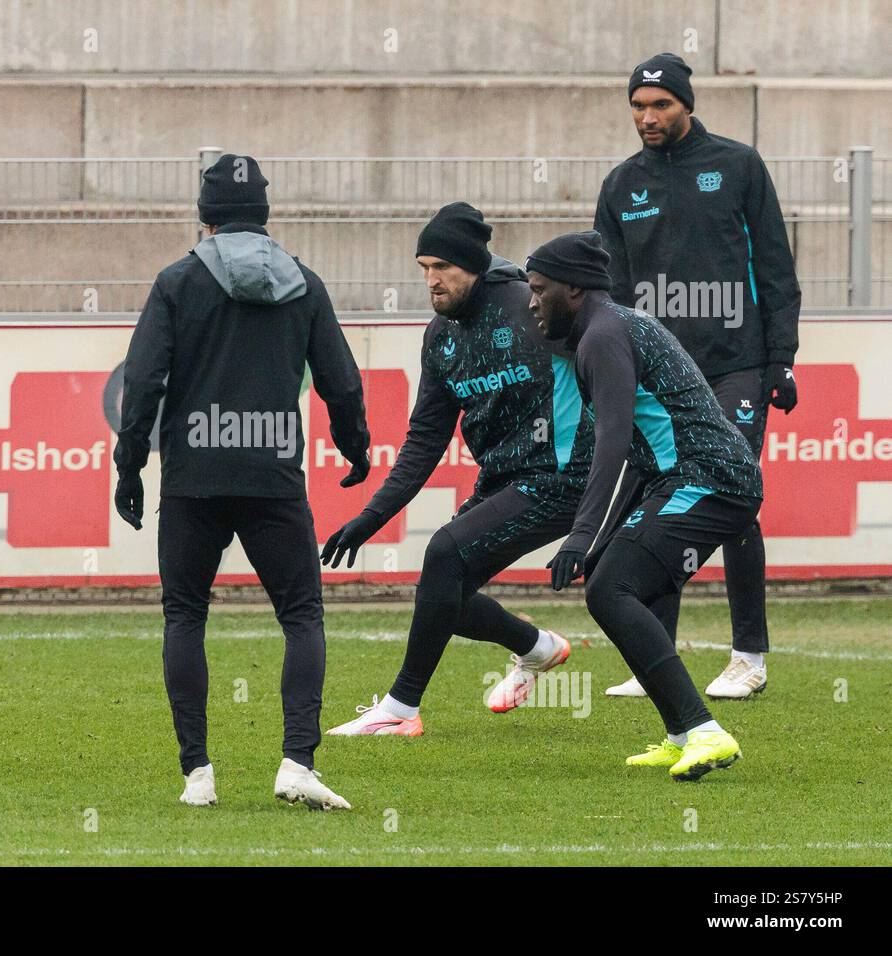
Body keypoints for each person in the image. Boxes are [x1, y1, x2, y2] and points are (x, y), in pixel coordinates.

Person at [114, 153, 370, 809]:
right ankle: (296, 764)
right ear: (264, 212)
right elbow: (341, 380)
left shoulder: (176, 282)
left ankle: (198, 775)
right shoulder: (304, 283)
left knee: (185, 616)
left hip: (194, 476)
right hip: (272, 477)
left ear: (203, 215)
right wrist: (355, 448)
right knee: (302, 615)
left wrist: (130, 464)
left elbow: (143, 382)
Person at [320, 203, 591, 736]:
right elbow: (424, 441)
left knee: (443, 551)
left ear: (474, 264)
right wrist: (369, 518)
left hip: (566, 474)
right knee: (447, 592)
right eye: (423, 268)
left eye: (441, 267)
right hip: (505, 479)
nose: (431, 280)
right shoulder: (440, 337)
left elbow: (611, 359)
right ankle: (538, 648)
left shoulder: (531, 307)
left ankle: (400, 710)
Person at [593, 53, 801, 699]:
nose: (648, 117)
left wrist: (781, 360)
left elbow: (774, 269)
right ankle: (654, 655)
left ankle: (749, 657)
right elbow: (610, 291)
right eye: (638, 106)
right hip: (660, 374)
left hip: (734, 364)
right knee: (663, 502)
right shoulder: (622, 183)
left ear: (686, 105)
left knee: (732, 503)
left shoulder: (738, 166)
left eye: (660, 105)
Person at [530, 231, 762, 781]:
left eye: (539, 289)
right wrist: (605, 536)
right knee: (615, 585)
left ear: (575, 289)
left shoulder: (601, 338)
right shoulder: (610, 328)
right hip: (686, 477)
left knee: (611, 589)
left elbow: (612, 441)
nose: (532, 301)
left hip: (710, 478)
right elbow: (638, 448)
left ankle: (704, 731)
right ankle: (683, 734)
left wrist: (582, 535)